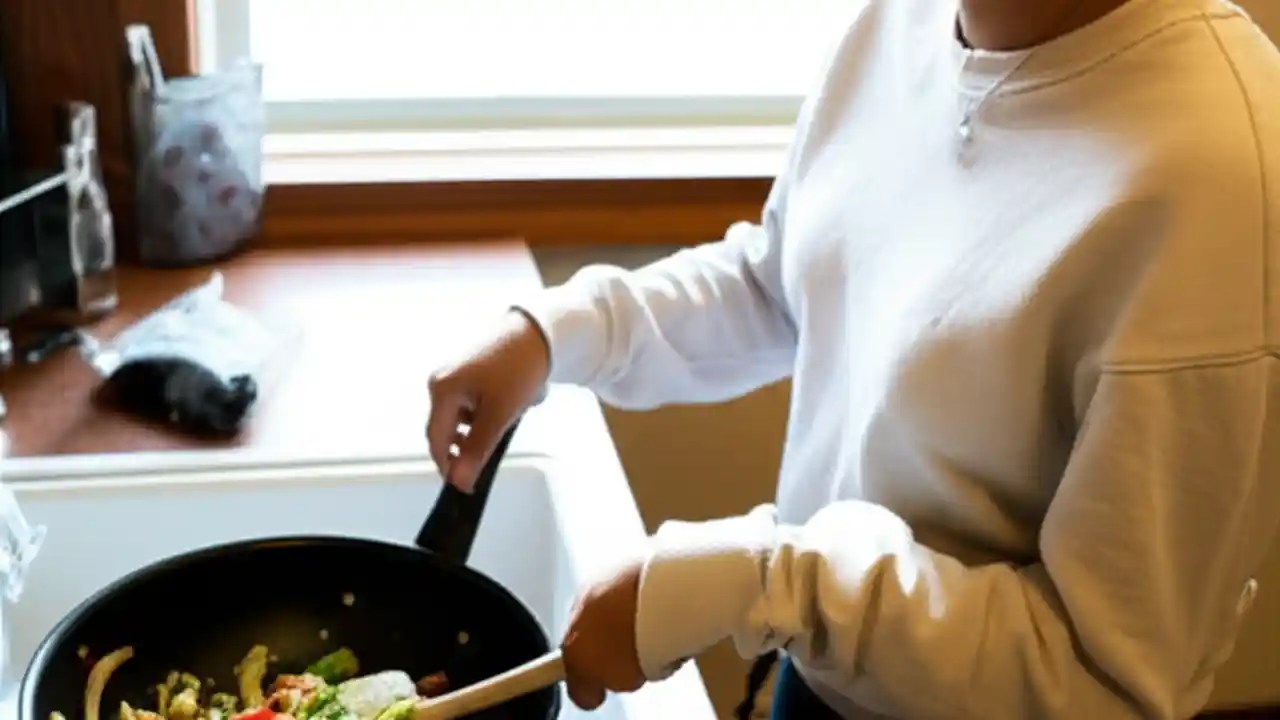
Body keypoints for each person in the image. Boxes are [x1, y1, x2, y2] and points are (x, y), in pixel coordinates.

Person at [425, 0, 1280, 717]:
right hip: (820, 674)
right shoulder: (907, 21)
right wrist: (562, 331)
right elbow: (787, 279)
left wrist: (751, 584)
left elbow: (1104, 682)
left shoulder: (1223, 173)